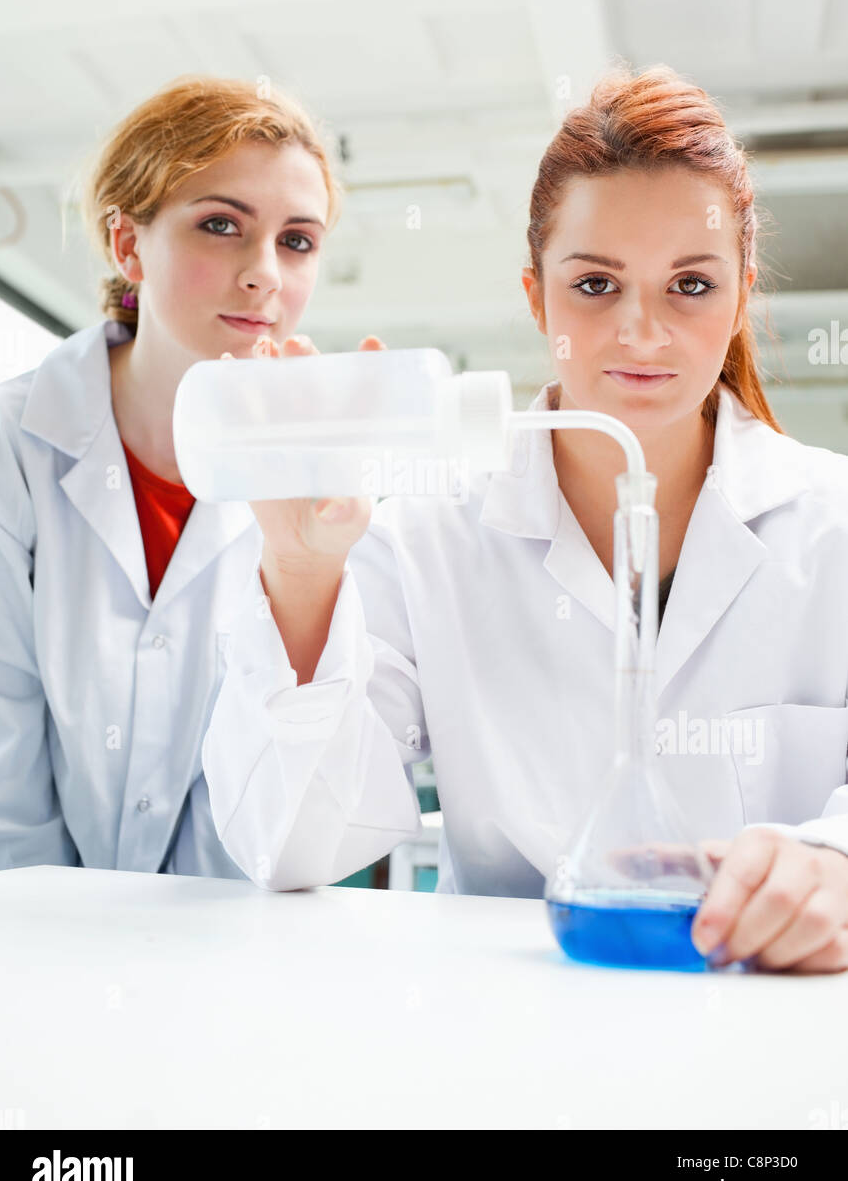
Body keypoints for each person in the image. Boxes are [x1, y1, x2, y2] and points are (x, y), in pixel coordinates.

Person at [203, 65, 848, 973]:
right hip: (511, 1037)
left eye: (690, 287)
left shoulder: (833, 528)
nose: (642, 332)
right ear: (537, 296)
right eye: (594, 286)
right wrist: (301, 568)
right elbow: (294, 845)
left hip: (767, 1021)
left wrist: (832, 863)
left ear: (741, 294)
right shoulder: (427, 537)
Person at [0, 73, 381, 877]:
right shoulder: (6, 449)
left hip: (229, 959)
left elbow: (292, 809)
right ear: (128, 244)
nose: (265, 271)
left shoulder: (327, 482)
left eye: (297, 240)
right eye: (222, 225)